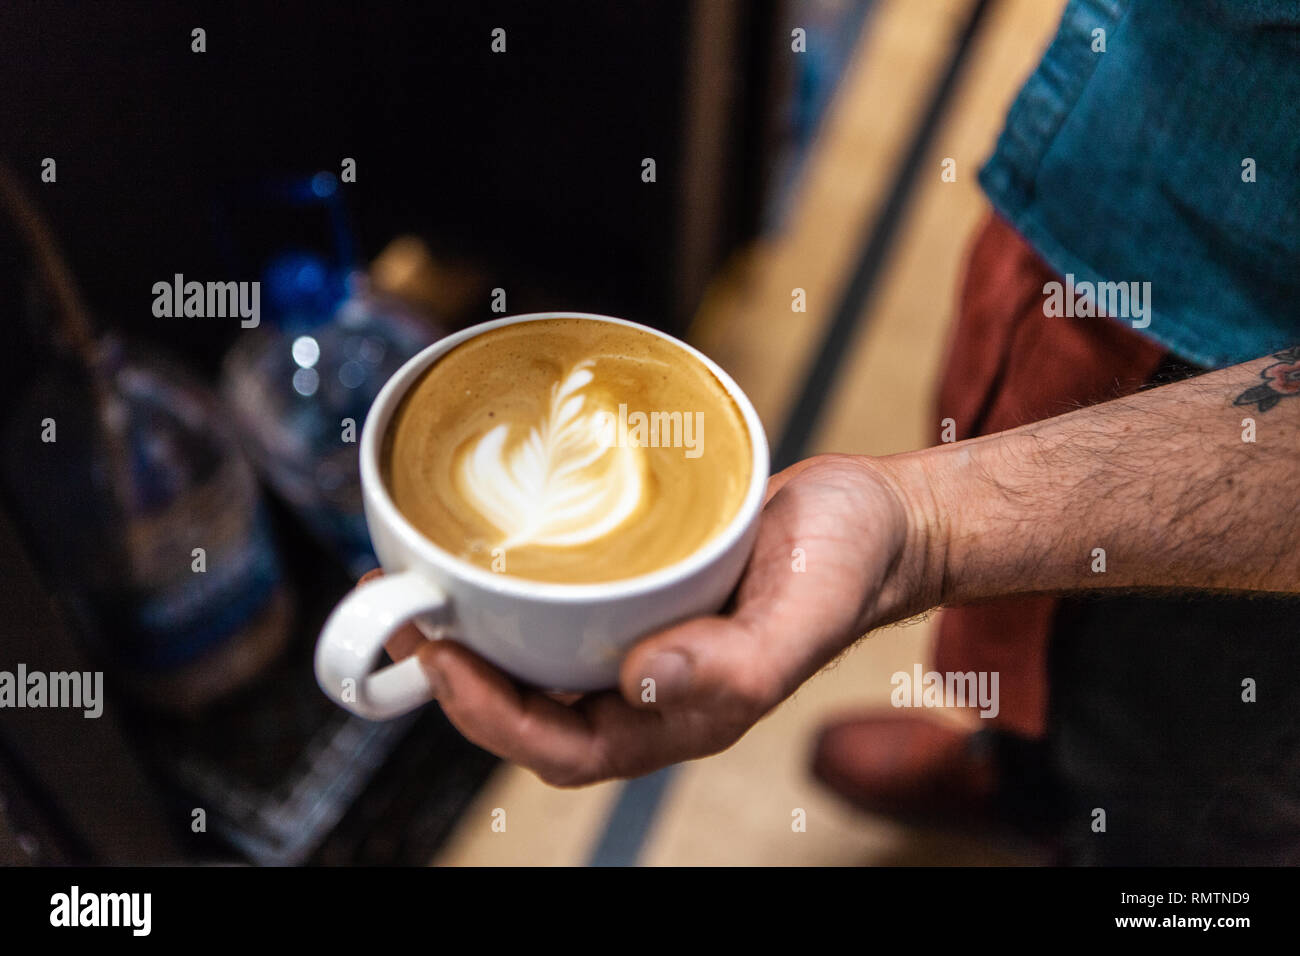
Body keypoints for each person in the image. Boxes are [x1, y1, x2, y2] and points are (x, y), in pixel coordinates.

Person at [378, 0, 1300, 864]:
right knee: (1028, 639)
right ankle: (1024, 773)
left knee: (1189, 779)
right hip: (1088, 187)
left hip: (1252, 381)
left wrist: (922, 530)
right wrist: (917, 522)